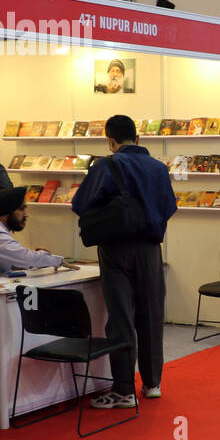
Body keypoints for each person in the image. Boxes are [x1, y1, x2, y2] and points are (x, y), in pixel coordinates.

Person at [70, 116, 176, 408]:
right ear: (138, 138)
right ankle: (153, 383)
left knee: (121, 318)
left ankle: (124, 389)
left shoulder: (106, 165)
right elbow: (169, 206)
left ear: (111, 141)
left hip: (115, 248)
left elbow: (80, 205)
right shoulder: (158, 167)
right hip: (151, 248)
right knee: (152, 313)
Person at [0, 186, 72, 278]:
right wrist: (58, 260)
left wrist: (41, 259)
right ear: (5, 213)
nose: (26, 215)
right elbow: (26, 258)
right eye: (21, 209)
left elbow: (18, 261)